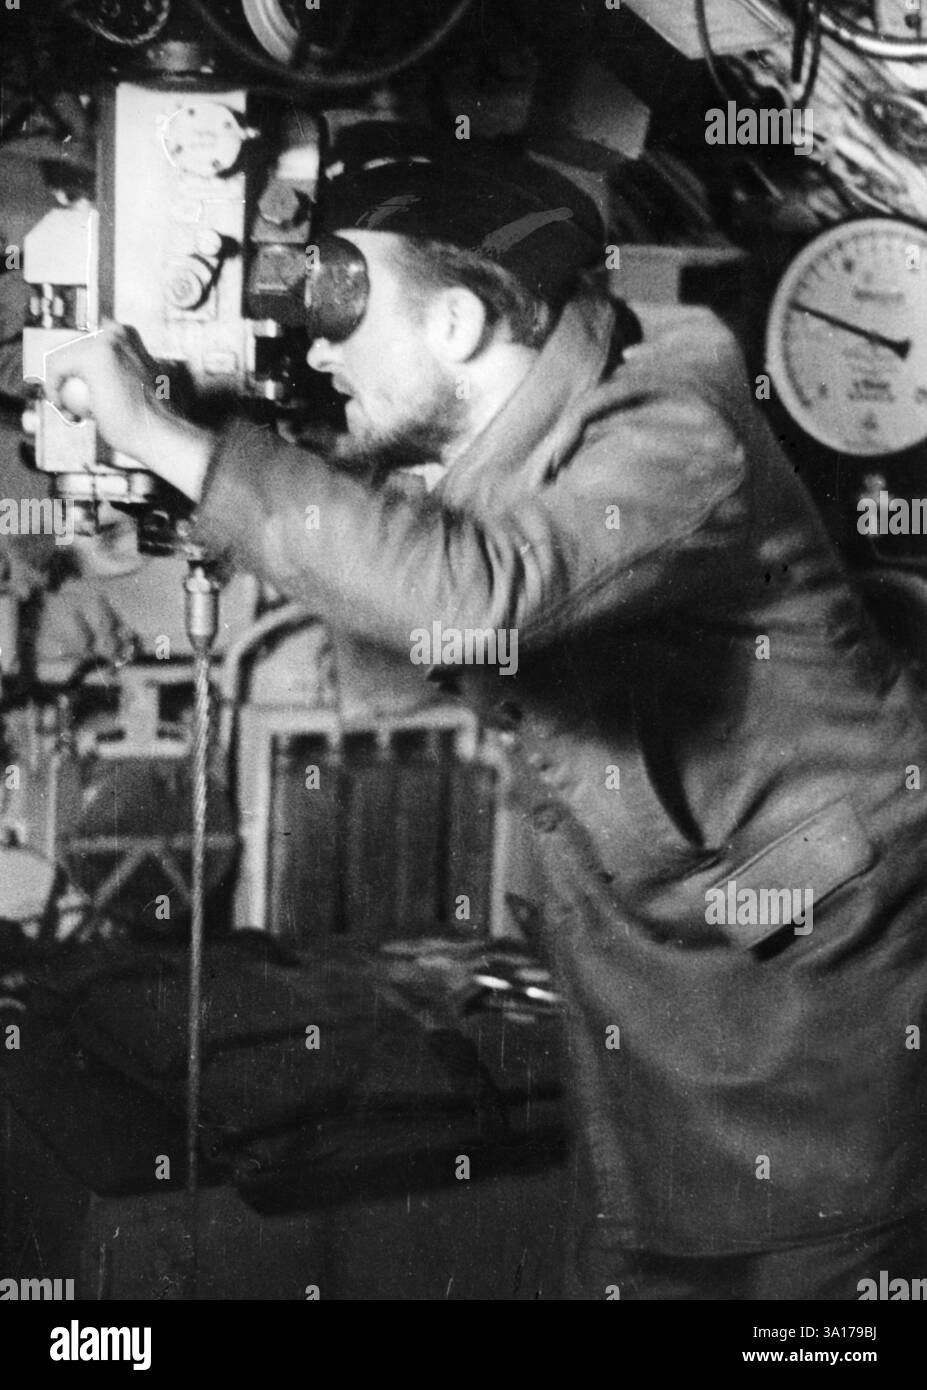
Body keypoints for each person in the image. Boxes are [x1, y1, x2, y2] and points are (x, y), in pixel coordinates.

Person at [43, 146, 927, 1300]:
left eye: (342, 308)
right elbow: (398, 633)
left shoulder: (676, 425)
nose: (314, 348)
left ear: (459, 323)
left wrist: (178, 442)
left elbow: (469, 599)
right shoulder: (516, 455)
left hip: (818, 1031)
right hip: (662, 1013)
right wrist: (202, 484)